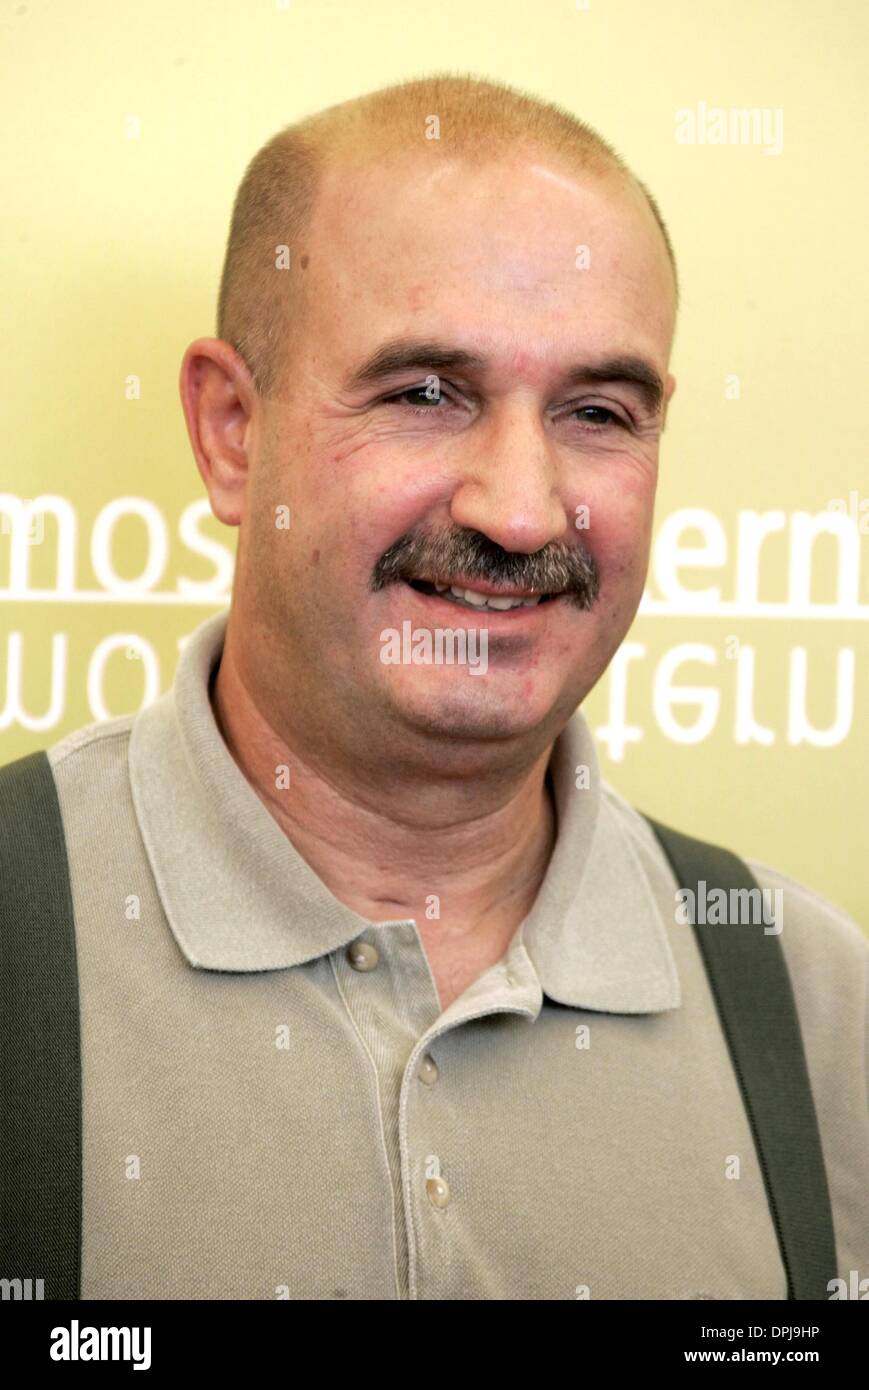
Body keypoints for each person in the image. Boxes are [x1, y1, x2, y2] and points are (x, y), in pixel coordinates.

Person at [6, 73, 868, 1300]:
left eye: (596, 410)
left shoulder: (814, 1006)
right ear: (229, 431)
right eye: (424, 394)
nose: (517, 510)